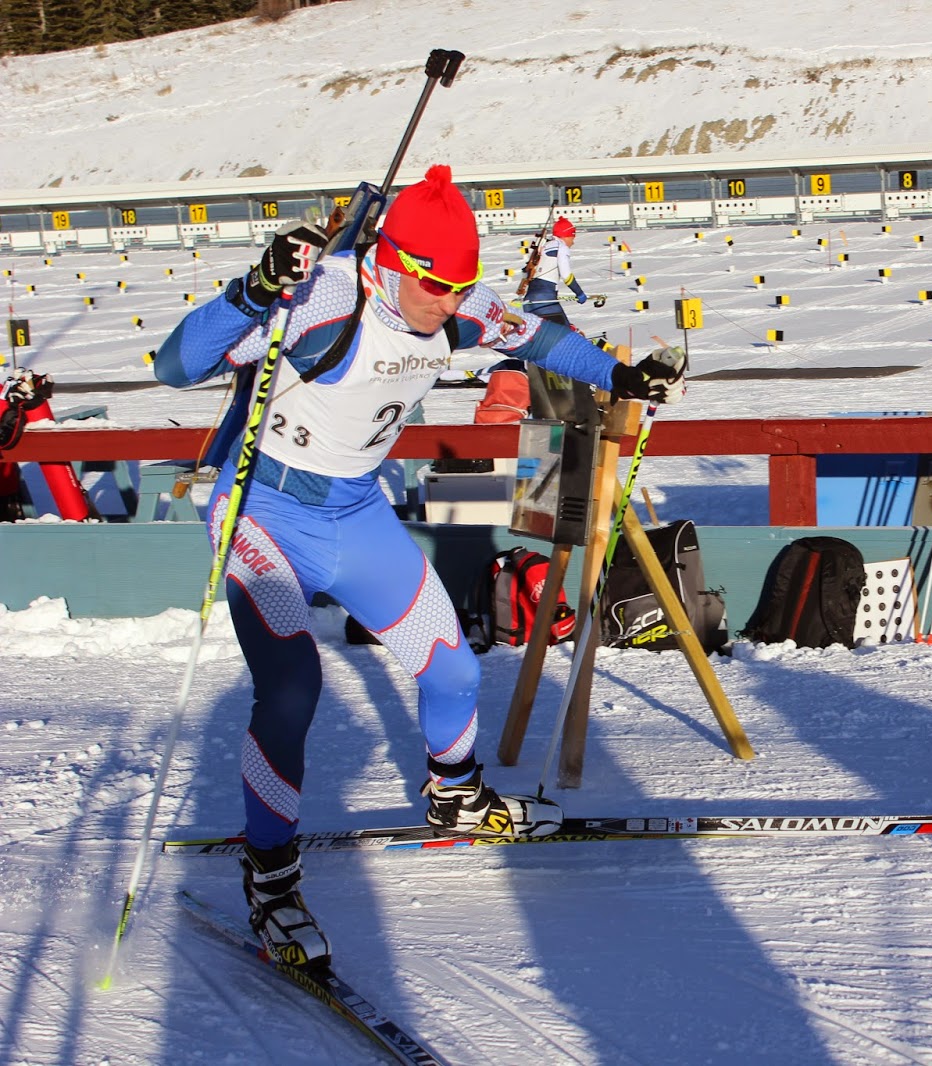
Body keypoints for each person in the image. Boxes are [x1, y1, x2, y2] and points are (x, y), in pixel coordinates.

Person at [153, 165, 683, 968]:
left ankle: (456, 796)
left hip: (354, 510)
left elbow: (536, 335)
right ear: (392, 261)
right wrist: (253, 289)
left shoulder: (458, 304)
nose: (453, 302)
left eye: (463, 284)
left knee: (452, 667)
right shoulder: (327, 295)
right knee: (292, 689)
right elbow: (175, 366)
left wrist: (617, 374)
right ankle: (270, 875)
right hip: (265, 510)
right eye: (438, 284)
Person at [519, 215, 588, 326]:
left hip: (529, 301)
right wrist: (579, 293)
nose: (572, 242)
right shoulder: (561, 247)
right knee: (566, 334)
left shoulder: (545, 245)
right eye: (572, 238)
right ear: (565, 236)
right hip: (545, 301)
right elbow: (566, 276)